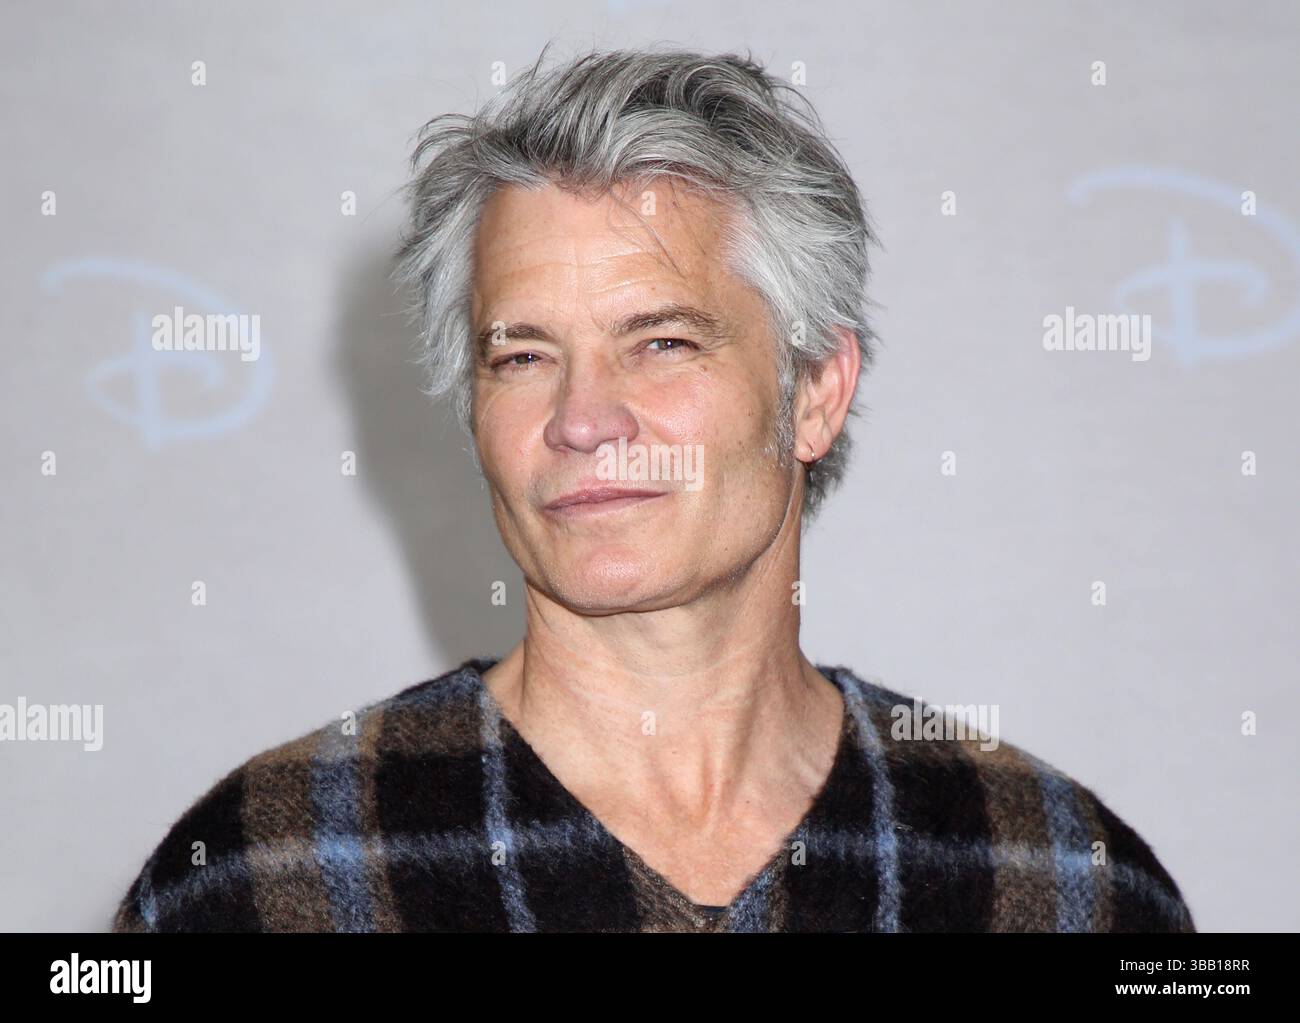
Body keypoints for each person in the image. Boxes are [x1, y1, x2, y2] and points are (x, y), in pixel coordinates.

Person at [112, 45, 1194, 933]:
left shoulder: (1062, 882)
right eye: (521, 355)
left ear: (815, 390)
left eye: (663, 341)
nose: (582, 418)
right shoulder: (258, 873)